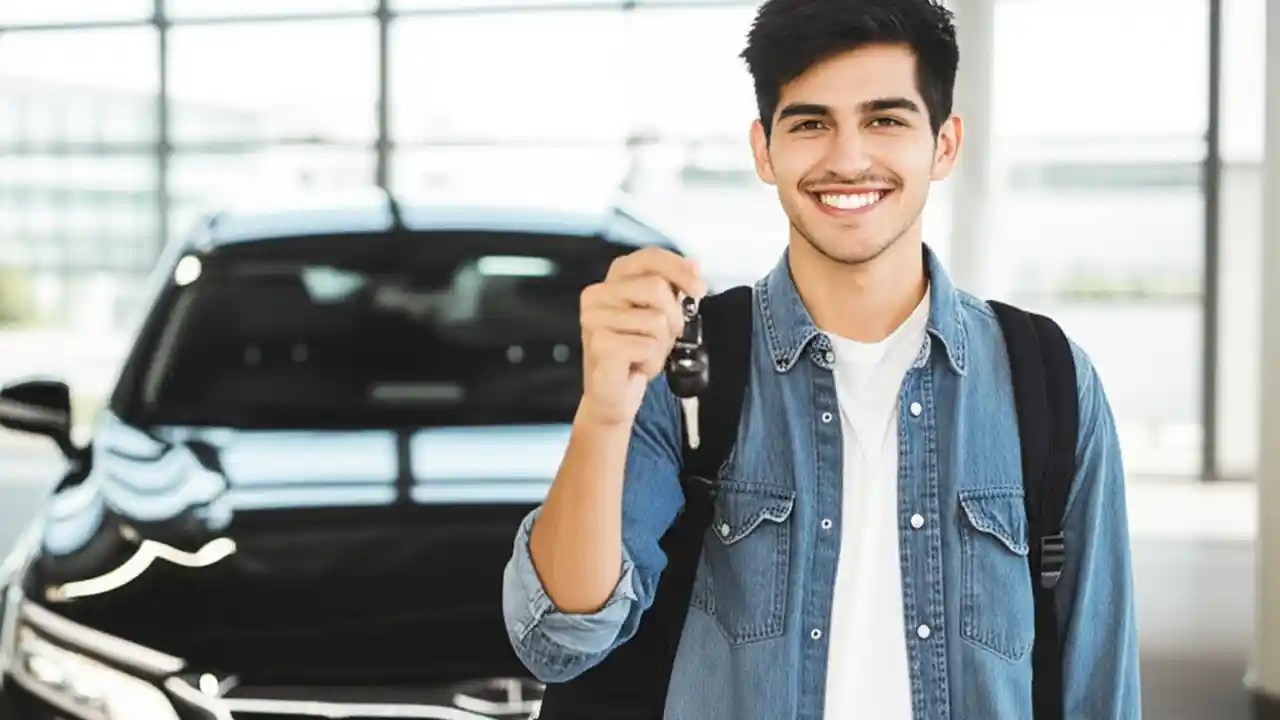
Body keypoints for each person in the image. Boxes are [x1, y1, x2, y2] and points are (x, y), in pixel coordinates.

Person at [501, 0, 1142, 717]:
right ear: (764, 149)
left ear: (944, 144)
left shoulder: (1049, 380)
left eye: (885, 120)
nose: (846, 158)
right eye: (810, 123)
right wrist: (604, 412)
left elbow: (1099, 686)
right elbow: (558, 638)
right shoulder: (689, 365)